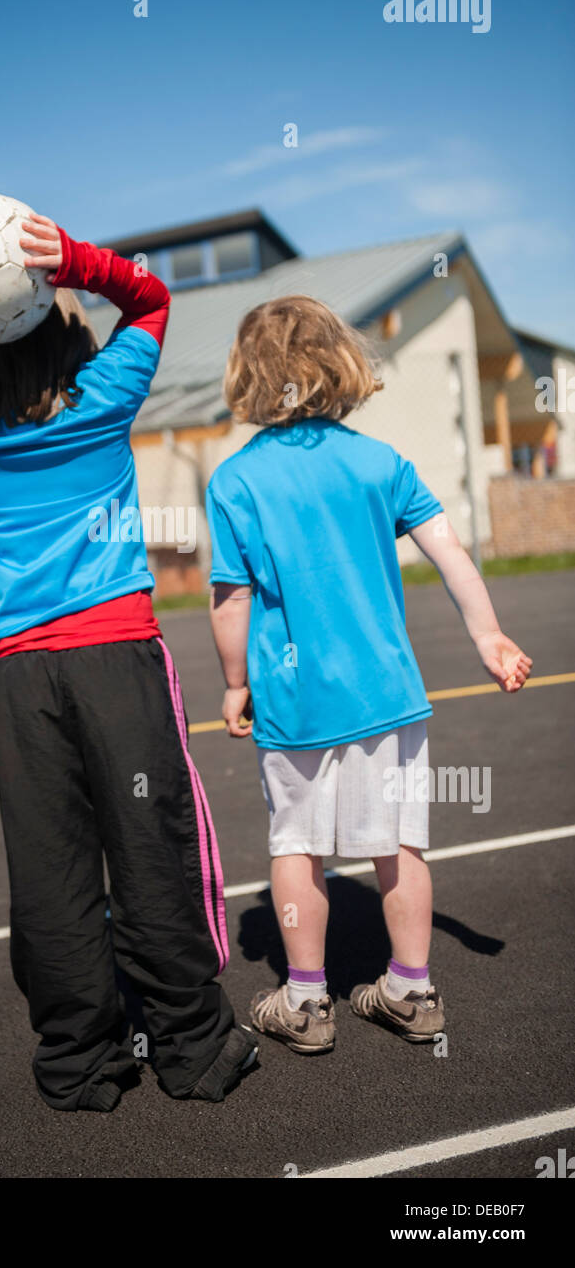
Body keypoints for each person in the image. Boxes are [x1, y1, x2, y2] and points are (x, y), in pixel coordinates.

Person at [0, 213, 257, 1110]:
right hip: (113, 656)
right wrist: (81, 260)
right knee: (152, 846)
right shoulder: (105, 400)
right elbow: (152, 299)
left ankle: (78, 1063)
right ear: (69, 343)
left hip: (17, 674)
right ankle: (193, 1048)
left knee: (48, 863)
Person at [205, 295, 532, 1054]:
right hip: (387, 693)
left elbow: (229, 598)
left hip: (294, 702)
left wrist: (232, 682)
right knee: (399, 847)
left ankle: (307, 1002)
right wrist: (487, 636)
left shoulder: (236, 481)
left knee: (296, 847)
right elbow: (448, 549)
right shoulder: (379, 462)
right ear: (337, 364)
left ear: (250, 376)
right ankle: (410, 989)